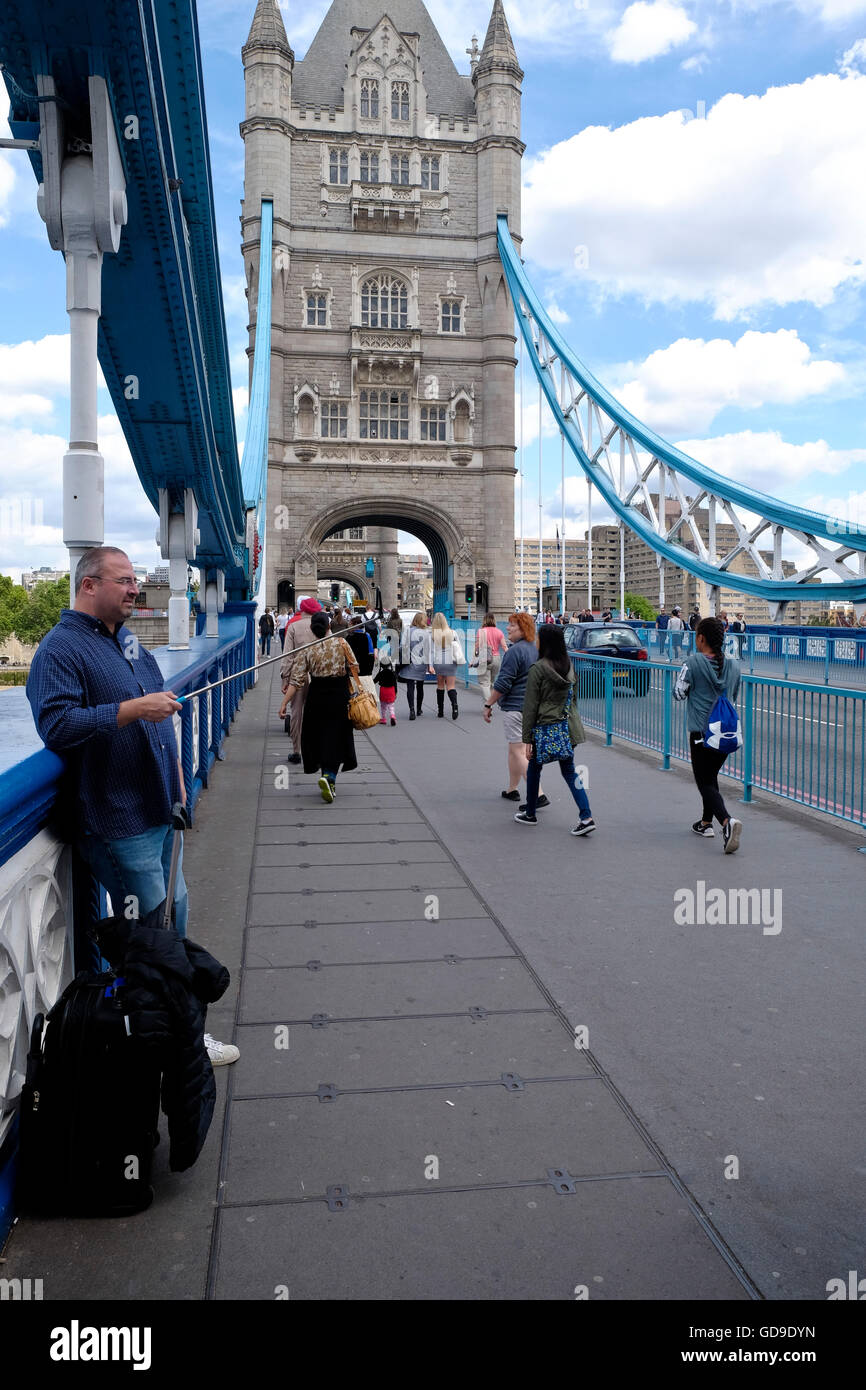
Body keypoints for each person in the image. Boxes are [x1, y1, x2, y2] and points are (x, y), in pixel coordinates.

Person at [26, 545, 238, 1065]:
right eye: (123, 581)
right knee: (152, 938)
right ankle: (170, 1043)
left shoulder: (127, 643)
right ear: (89, 585)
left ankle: (164, 1033)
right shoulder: (60, 650)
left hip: (158, 808)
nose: (134, 589)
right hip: (117, 819)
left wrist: (179, 784)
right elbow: (57, 725)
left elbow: (160, 715)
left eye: (134, 581)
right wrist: (130, 709)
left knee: (172, 920)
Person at [514, 624, 595, 835]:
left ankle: (530, 813)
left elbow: (530, 706)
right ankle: (586, 816)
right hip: (568, 727)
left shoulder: (538, 669)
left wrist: (527, 738)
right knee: (569, 770)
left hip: (546, 728)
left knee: (534, 768)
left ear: (545, 642)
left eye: (539, 638)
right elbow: (574, 699)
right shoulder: (569, 665)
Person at [674, 615, 743, 853]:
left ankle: (726, 822)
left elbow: (679, 694)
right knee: (710, 778)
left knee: (704, 782)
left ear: (701, 638)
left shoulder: (692, 663)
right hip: (726, 734)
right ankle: (705, 824)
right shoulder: (734, 665)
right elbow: (734, 694)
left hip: (701, 733)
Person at [278, 610, 359, 803]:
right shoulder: (341, 643)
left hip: (317, 695)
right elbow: (355, 666)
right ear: (329, 626)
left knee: (319, 736)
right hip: (340, 695)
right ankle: (330, 777)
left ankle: (325, 774)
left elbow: (296, 681)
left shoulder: (308, 649)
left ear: (313, 629)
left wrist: (283, 704)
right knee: (337, 737)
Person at [483, 611, 547, 807]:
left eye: (512, 625)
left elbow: (503, 683)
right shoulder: (536, 649)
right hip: (533, 707)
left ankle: (538, 794)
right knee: (515, 750)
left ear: (523, 629)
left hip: (516, 708)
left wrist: (488, 704)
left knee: (519, 752)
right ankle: (512, 789)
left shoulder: (514, 652)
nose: (508, 628)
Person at [280, 597, 323, 764]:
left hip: (299, 674)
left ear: (302, 609)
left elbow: (287, 656)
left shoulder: (293, 626)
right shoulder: (322, 625)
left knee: (297, 712)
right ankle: (316, 748)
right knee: (317, 711)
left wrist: (285, 678)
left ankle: (296, 751)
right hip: (318, 673)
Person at [398, 611, 432, 719]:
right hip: (421, 663)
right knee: (420, 686)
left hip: (410, 662)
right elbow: (429, 651)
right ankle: (419, 709)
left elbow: (401, 647)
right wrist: (429, 665)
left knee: (410, 687)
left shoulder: (408, 631)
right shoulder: (426, 633)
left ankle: (411, 709)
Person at [430, 611, 461, 719]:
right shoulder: (453, 633)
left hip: (439, 662)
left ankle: (440, 711)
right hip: (451, 662)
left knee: (440, 686)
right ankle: (455, 705)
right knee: (451, 686)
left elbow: (432, 651)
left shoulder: (433, 635)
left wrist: (430, 665)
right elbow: (458, 647)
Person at [474, 612, 508, 703]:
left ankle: (488, 705)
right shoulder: (499, 632)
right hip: (496, 659)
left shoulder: (481, 631)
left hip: (484, 659)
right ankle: (491, 702)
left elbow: (476, 647)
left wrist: (473, 660)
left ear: (484, 620)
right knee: (492, 683)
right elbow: (505, 647)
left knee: (485, 683)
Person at [345, 615, 377, 707]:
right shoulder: (367, 636)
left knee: (354, 701)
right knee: (368, 699)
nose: (349, 626)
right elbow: (371, 654)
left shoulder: (349, 638)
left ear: (356, 625)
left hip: (354, 673)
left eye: (350, 624)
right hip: (366, 673)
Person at [375, 652, 398, 725]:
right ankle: (392, 715)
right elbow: (395, 684)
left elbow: (374, 681)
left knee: (383, 706)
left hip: (383, 691)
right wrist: (396, 692)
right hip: (391, 690)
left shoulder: (380, 673)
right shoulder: (392, 673)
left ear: (381, 665)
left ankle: (383, 719)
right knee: (391, 705)